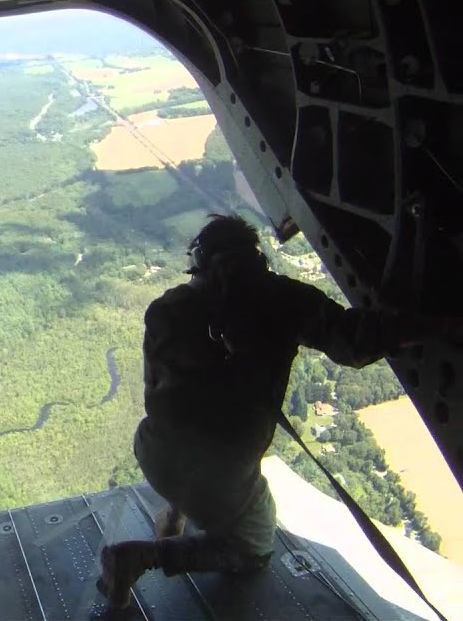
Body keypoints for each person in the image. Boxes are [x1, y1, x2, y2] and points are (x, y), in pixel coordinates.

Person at [97, 214, 451, 608]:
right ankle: (141, 557)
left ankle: (176, 513)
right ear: (255, 258)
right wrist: (441, 325)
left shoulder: (166, 308)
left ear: (199, 260)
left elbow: (167, 396)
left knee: (198, 443)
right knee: (254, 549)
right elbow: (356, 341)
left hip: (154, 452)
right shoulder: (280, 299)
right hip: (218, 473)